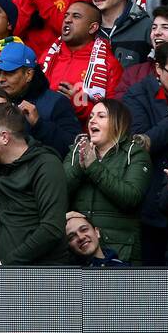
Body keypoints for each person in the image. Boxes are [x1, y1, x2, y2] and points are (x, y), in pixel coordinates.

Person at [0, 102, 70, 265]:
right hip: (4, 273)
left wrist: (7, 264)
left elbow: (52, 229)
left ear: (4, 137)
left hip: (43, 276)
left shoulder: (46, 165)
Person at [64, 99, 151, 264]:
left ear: (118, 123)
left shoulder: (134, 154)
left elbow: (131, 198)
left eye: (101, 116)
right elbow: (58, 191)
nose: (92, 121)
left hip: (120, 253)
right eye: (90, 117)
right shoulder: (77, 150)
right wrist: (80, 166)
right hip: (79, 252)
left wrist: (93, 167)